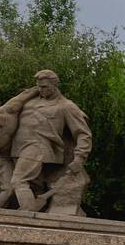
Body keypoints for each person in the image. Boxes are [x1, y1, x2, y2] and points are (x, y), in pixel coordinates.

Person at [9, 70, 93, 211]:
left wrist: (80, 158)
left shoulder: (66, 106)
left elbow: (83, 134)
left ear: (55, 85)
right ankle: (36, 214)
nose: (40, 89)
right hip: (18, 148)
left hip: (39, 148)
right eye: (38, 86)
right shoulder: (30, 101)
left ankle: (26, 214)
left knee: (18, 180)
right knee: (34, 187)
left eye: (44, 87)